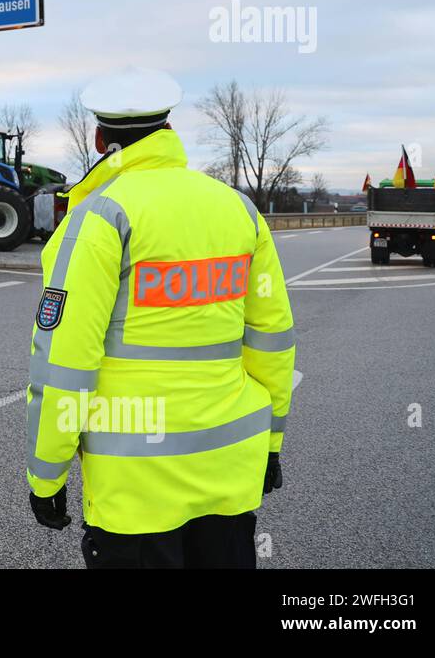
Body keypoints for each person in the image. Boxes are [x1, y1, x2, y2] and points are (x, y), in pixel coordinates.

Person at [25, 66, 294, 568]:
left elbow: (64, 363)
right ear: (169, 130)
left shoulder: (103, 217)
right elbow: (272, 342)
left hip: (136, 490)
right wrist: (272, 445)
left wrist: (47, 476)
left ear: (100, 137)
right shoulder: (239, 209)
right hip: (230, 470)